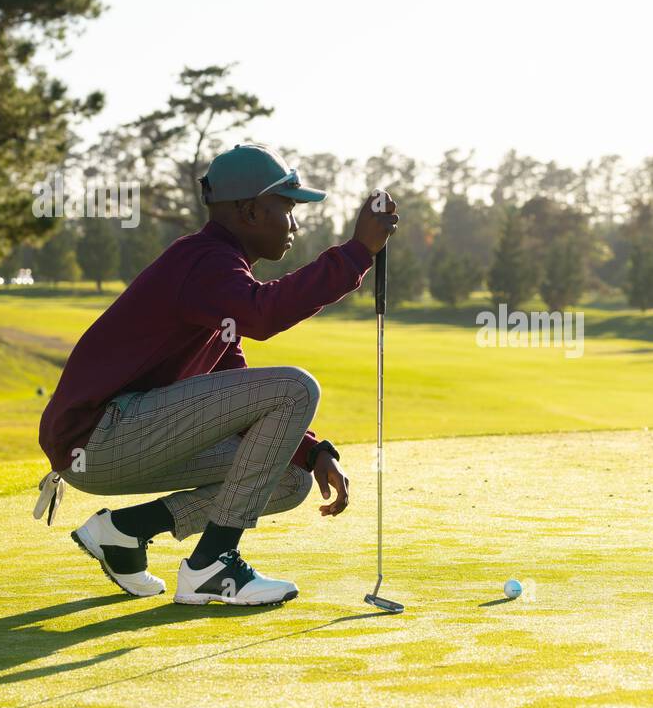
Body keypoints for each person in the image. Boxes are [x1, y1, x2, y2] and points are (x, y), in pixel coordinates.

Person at [37, 143, 397, 605]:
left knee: (290, 479)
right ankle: (212, 565)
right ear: (249, 211)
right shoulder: (203, 261)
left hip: (126, 438)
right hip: (98, 438)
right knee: (295, 387)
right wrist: (356, 253)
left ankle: (125, 533)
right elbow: (264, 315)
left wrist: (309, 452)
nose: (294, 222)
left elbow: (231, 377)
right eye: (286, 206)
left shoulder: (217, 271)